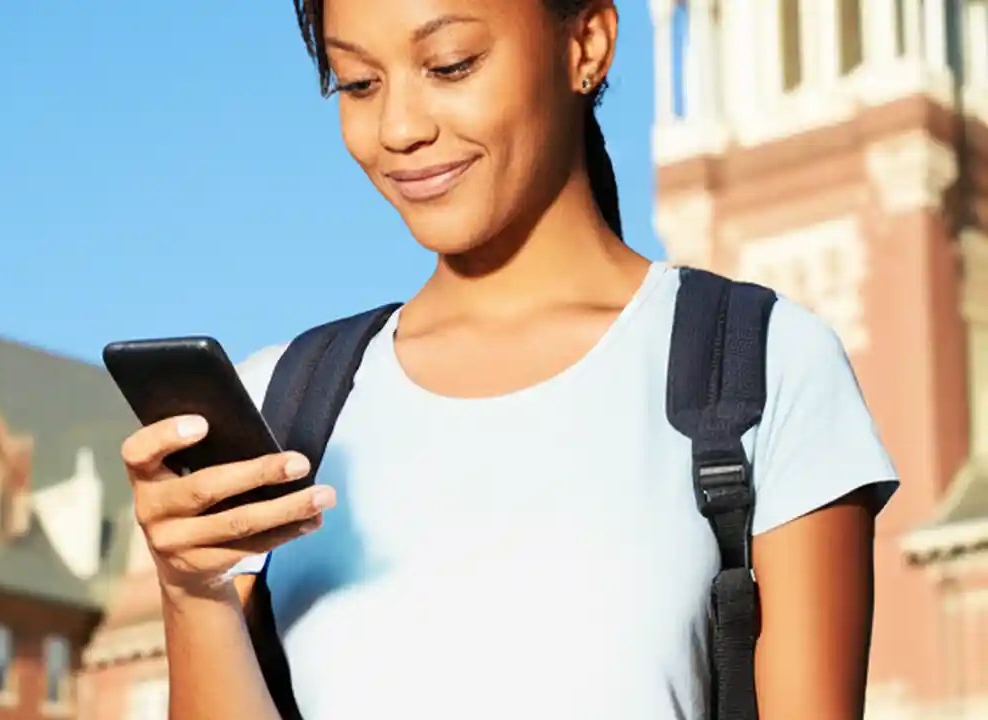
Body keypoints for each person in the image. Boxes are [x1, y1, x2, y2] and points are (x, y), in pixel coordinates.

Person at [120, 1, 898, 718]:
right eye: (358, 82)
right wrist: (193, 592)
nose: (397, 127)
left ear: (586, 43)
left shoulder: (758, 364)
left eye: (451, 65)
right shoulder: (283, 406)